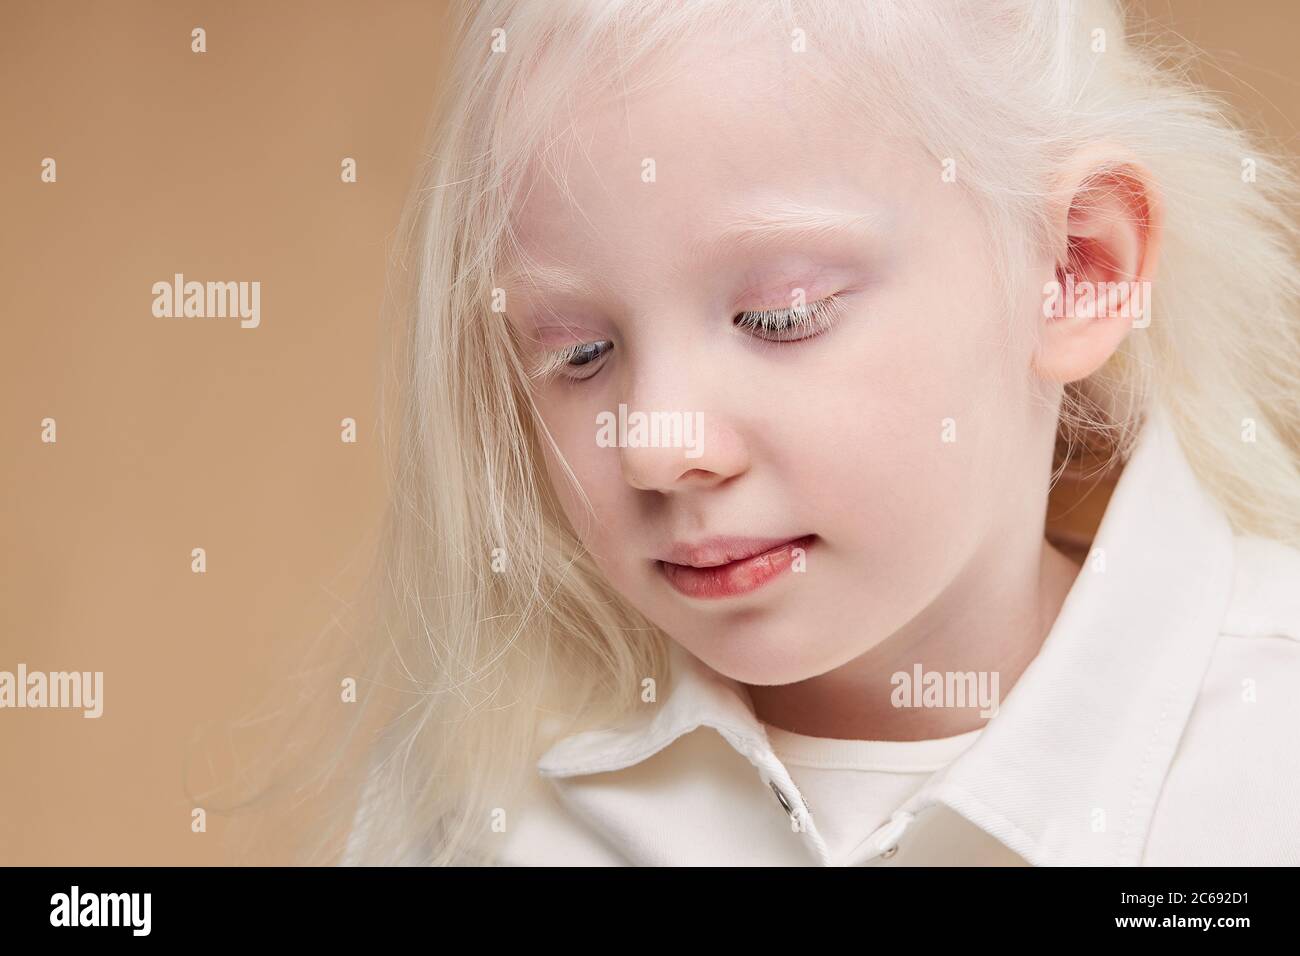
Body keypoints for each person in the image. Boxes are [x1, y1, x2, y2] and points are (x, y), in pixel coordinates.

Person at [335, 0, 1300, 866]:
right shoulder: (479, 810)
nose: (656, 447)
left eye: (782, 316)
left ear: (1075, 269)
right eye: (581, 353)